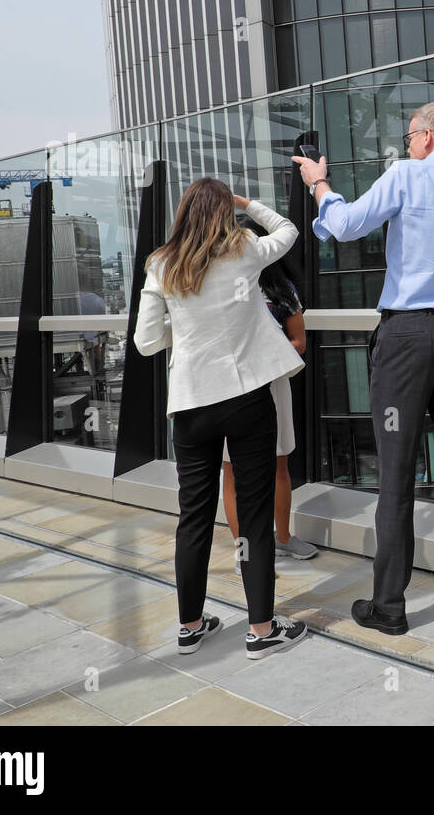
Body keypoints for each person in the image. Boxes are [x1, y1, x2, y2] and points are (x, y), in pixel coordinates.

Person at [293, 100, 434, 640]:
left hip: (407, 338)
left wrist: (319, 184)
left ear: (425, 137)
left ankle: (390, 605)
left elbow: (346, 226)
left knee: (395, 473)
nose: (406, 143)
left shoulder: (406, 176)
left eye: (409, 134)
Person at [134, 178, 308, 660]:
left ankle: (190, 627)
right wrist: (244, 203)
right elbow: (290, 229)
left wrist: (187, 326)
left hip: (191, 403)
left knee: (193, 517)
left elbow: (146, 342)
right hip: (247, 397)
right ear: (224, 212)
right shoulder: (246, 248)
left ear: (183, 211)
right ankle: (261, 629)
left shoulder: (161, 263)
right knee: (253, 515)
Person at [221, 215, 317, 573]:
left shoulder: (281, 291)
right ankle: (241, 546)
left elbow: (299, 341)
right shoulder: (223, 285)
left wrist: (268, 355)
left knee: (278, 465)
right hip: (231, 385)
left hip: (273, 384)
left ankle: (283, 537)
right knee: (231, 470)